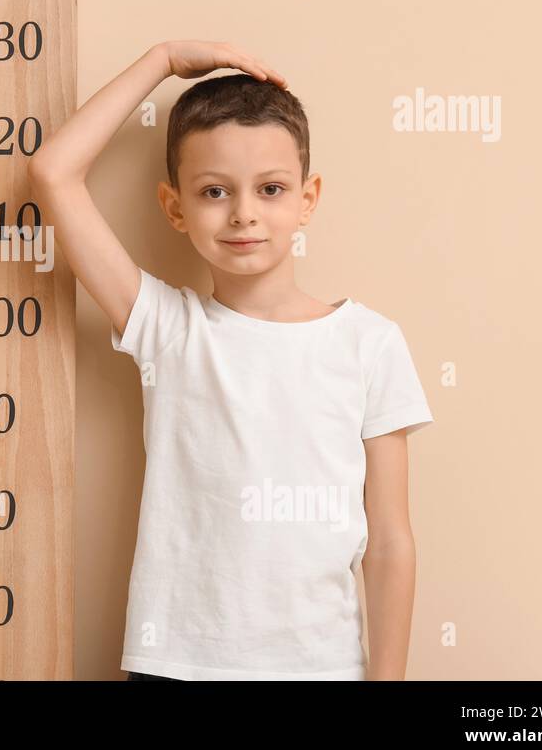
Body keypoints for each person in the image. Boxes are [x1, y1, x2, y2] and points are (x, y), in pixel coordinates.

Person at [30, 41, 433, 680]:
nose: (244, 212)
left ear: (307, 198)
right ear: (175, 209)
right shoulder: (167, 328)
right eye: (215, 191)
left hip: (320, 668)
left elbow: (388, 543)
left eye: (270, 189)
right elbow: (54, 171)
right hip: (178, 664)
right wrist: (162, 61)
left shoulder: (370, 344)